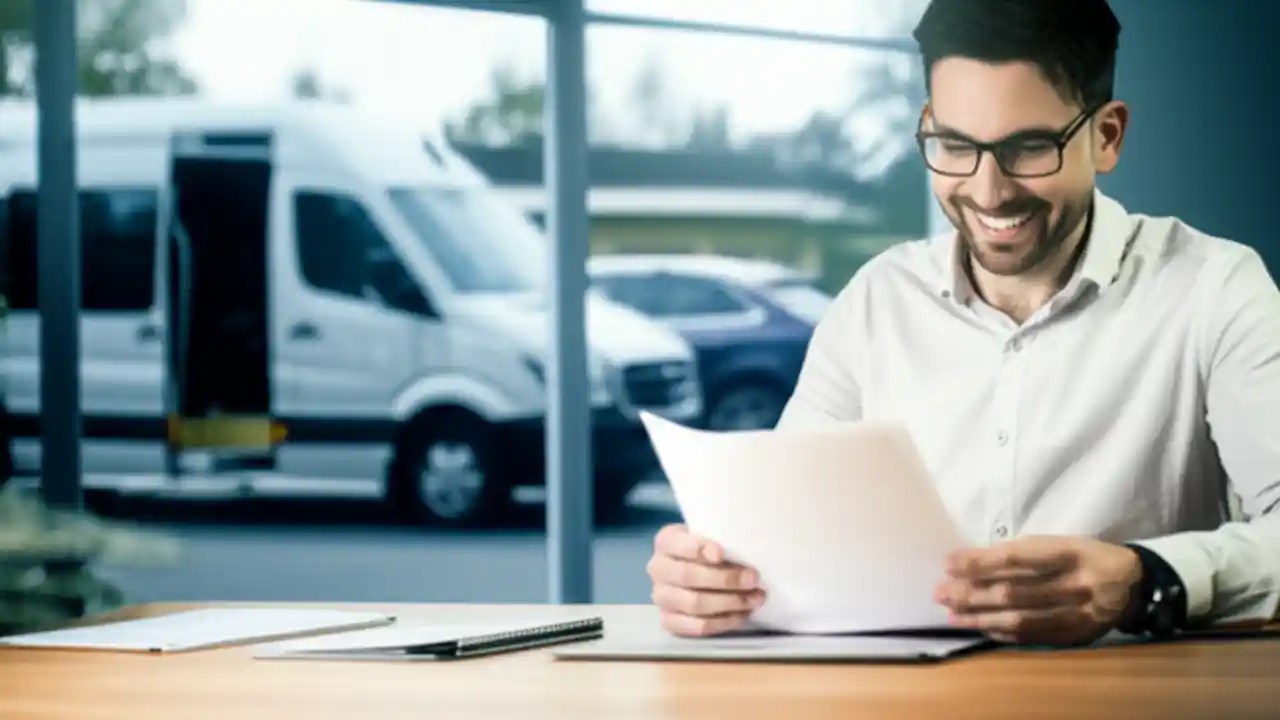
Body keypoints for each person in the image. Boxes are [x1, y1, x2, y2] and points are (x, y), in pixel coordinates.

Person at [646, 0, 1280, 646]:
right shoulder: (877, 300)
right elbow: (779, 533)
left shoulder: (1214, 289)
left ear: (1107, 137)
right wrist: (714, 579)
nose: (988, 191)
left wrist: (1144, 582)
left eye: (1029, 148)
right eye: (954, 145)